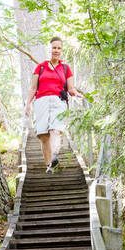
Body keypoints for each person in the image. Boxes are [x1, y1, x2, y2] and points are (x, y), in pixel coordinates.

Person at [24, 37, 78, 174]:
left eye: (59, 48)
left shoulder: (65, 68)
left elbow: (71, 89)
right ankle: (49, 165)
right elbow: (33, 88)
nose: (56, 50)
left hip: (58, 101)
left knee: (55, 130)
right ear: (50, 49)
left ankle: (54, 156)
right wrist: (28, 104)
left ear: (61, 50)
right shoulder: (40, 67)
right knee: (43, 135)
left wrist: (78, 94)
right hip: (41, 100)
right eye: (54, 47)